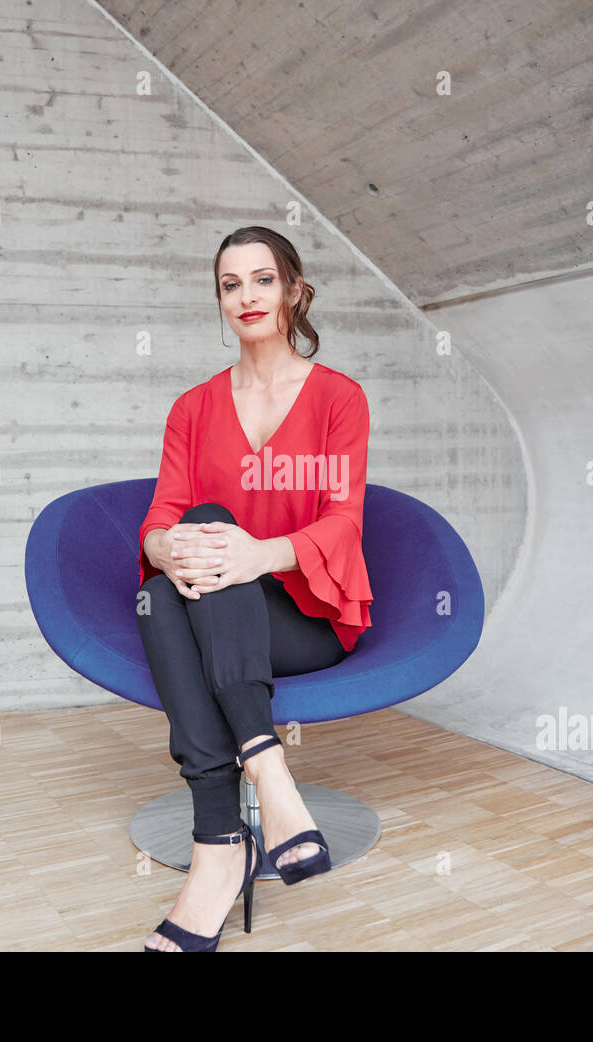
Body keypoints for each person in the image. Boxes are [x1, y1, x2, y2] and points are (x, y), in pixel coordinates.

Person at [137, 226, 373, 951]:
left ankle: (222, 840)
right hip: (221, 605)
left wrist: (257, 553)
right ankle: (258, 783)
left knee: (203, 554)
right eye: (230, 284)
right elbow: (158, 522)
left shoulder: (339, 399)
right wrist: (165, 549)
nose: (246, 296)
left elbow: (342, 523)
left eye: (262, 279)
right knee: (167, 574)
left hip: (307, 614)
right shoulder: (192, 408)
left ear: (294, 290)